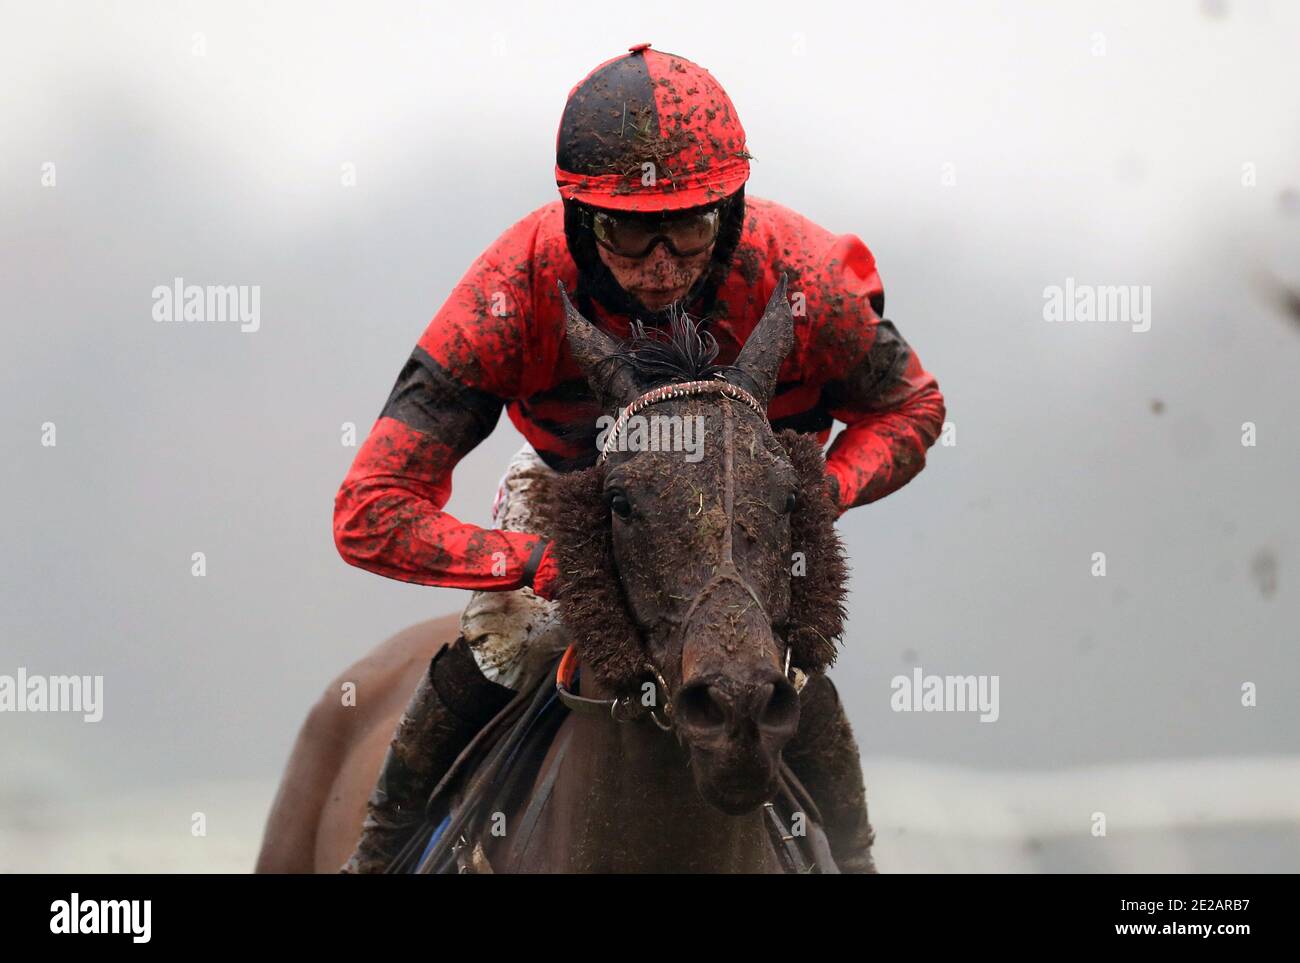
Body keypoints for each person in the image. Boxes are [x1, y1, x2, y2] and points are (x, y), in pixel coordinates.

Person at [334, 44, 945, 873]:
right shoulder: (510, 292)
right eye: (627, 231)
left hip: (744, 510)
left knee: (783, 667)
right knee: (503, 643)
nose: (660, 268)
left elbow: (911, 404)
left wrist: (817, 493)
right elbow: (369, 506)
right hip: (577, 496)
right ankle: (380, 859)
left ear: (729, 213)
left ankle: (857, 861)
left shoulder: (803, 274)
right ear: (581, 222)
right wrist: (535, 562)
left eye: (689, 229)